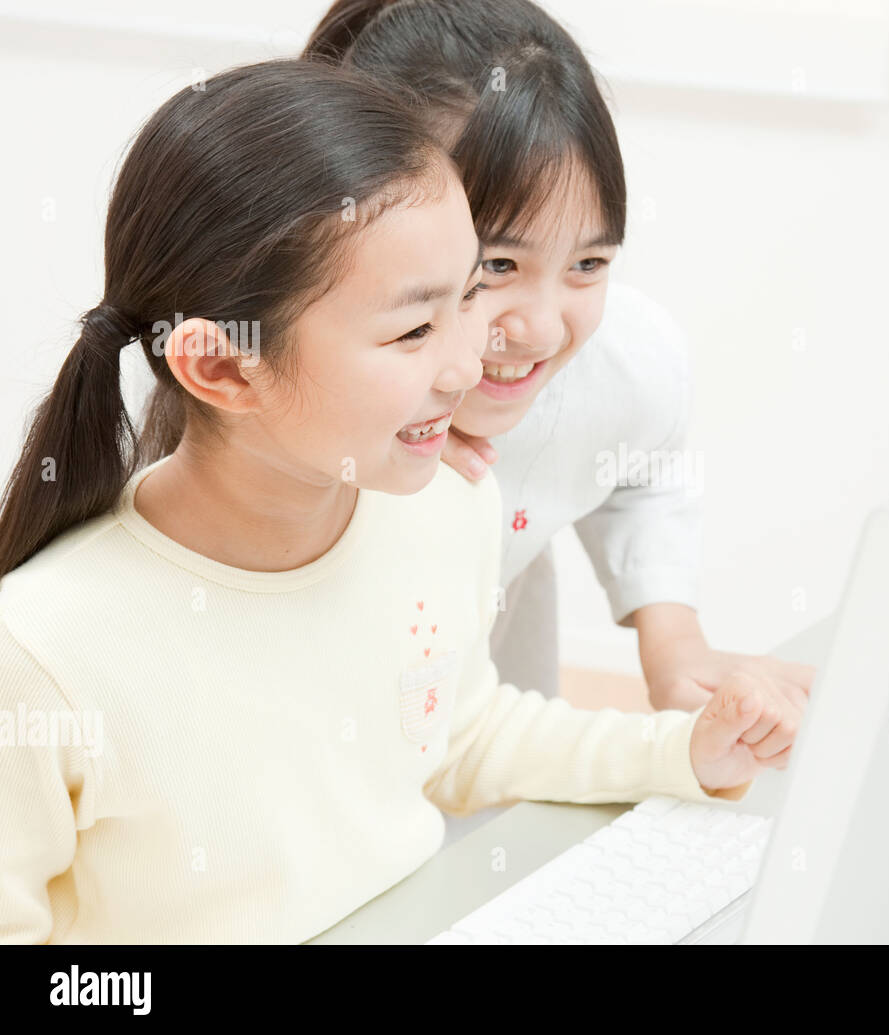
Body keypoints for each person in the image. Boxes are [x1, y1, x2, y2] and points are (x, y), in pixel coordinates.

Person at [0, 59, 799, 944]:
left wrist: (680, 752)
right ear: (222, 366)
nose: (467, 364)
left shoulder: (442, 510)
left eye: (467, 296)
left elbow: (463, 734)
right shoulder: (40, 656)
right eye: (414, 328)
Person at [300, 0, 817, 712]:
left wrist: (672, 636)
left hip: (494, 728)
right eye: (498, 267)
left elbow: (640, 459)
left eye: (588, 262)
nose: (543, 330)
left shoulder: (625, 362)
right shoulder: (266, 395)